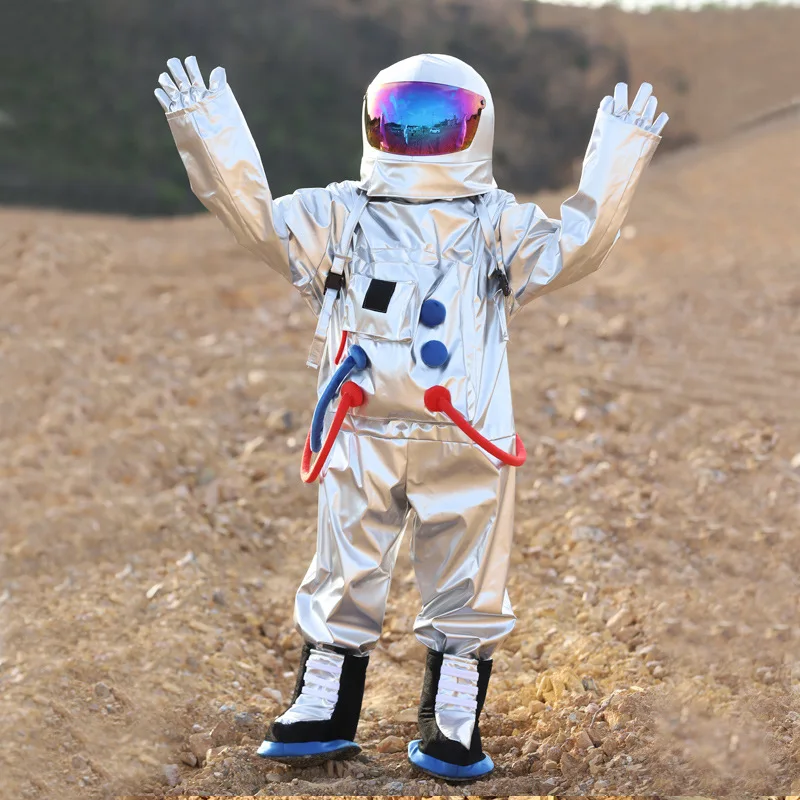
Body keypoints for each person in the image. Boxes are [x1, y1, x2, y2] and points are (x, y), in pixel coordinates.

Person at [156, 53, 667, 781]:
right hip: (361, 429)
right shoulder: (340, 214)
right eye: (402, 119)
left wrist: (617, 157)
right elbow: (255, 222)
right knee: (344, 563)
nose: (418, 137)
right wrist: (209, 129)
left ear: (475, 129)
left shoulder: (495, 224)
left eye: (439, 122)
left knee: (469, 569)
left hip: (464, 434)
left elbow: (575, 248)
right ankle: (323, 702)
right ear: (372, 124)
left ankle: (452, 712)